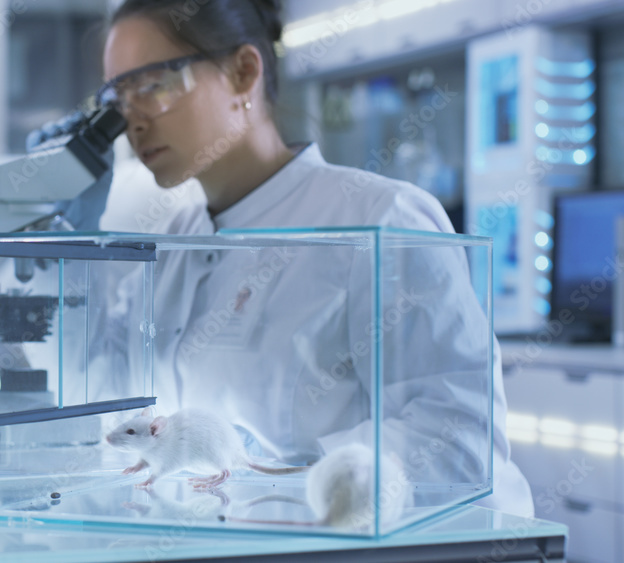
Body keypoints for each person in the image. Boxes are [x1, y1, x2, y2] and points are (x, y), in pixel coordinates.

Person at [96, 0, 533, 517]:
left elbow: (458, 439)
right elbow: (102, 393)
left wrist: (297, 482)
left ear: (243, 72)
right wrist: (45, 230)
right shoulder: (172, 244)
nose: (133, 121)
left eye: (153, 84)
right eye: (119, 98)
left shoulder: (383, 218)